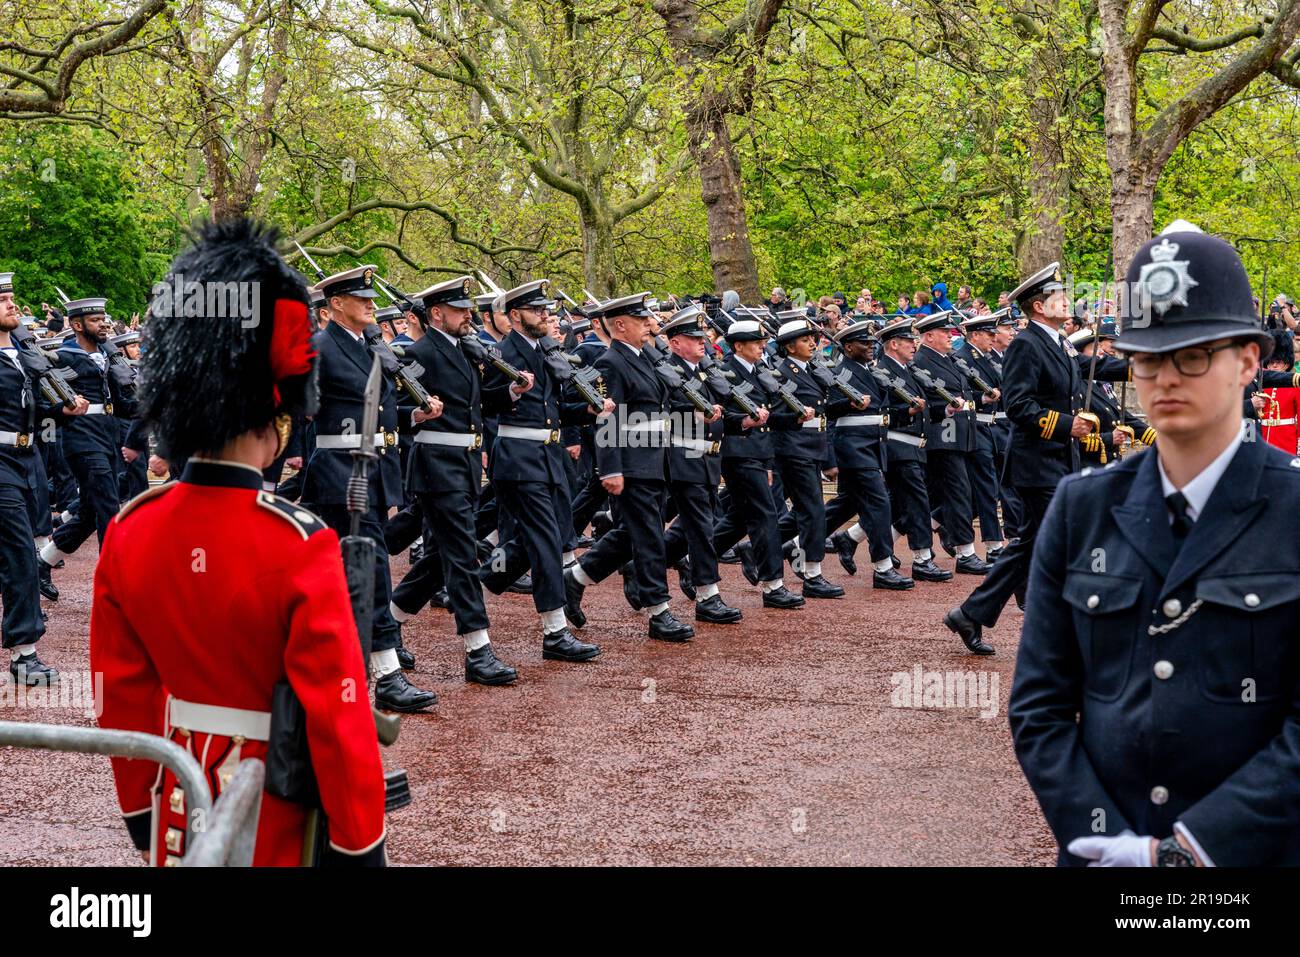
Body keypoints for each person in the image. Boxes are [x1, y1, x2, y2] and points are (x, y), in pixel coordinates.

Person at [91, 217, 387, 866]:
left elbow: (123, 697)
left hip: (176, 810)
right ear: (278, 413)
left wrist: (141, 811)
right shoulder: (299, 541)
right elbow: (339, 720)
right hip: (271, 821)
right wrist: (361, 842)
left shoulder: (129, 531)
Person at [1009, 218, 1300, 866]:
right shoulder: (1080, 507)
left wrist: (1193, 848)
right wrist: (1113, 841)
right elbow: (1039, 705)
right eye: (1146, 356)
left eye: (1191, 353)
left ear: (1249, 359)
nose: (1165, 376)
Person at [301, 264, 441, 712]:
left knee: (350, 572)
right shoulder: (319, 349)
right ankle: (385, 674)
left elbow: (376, 413)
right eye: (360, 298)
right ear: (335, 304)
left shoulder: (370, 346)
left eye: (370, 297)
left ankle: (333, 663)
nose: (370, 303)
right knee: (372, 570)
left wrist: (413, 416)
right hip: (340, 473)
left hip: (372, 468)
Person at [944, 261, 1090, 655]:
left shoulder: (1058, 341)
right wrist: (1065, 426)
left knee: (1033, 543)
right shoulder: (1028, 344)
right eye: (1060, 296)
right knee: (1040, 543)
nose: (1068, 301)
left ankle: (972, 614)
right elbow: (1020, 405)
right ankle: (1050, 621)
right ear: (1039, 307)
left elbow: (1087, 375)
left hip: (1058, 460)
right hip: (1037, 462)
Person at [389, 277, 518, 685]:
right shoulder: (419, 352)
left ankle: (387, 620)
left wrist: (512, 391)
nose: (469, 316)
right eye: (461, 310)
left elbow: (475, 404)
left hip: (461, 464)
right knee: (462, 553)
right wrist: (417, 414)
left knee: (442, 556)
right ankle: (478, 649)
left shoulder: (464, 351)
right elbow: (394, 407)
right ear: (437, 314)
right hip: (435, 465)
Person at [477, 279, 608, 660]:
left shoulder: (546, 350)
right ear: (515, 315)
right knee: (548, 540)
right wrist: (512, 392)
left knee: (540, 538)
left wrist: (586, 410)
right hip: (519, 458)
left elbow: (554, 411)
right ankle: (555, 631)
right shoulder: (502, 352)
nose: (545, 315)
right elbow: (484, 403)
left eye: (546, 309)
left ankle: (479, 581)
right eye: (537, 310)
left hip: (546, 456)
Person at [563, 292, 695, 642]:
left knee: (632, 533)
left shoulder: (644, 358)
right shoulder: (612, 363)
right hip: (632, 462)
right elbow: (607, 418)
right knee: (650, 537)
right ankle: (658, 610)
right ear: (620, 325)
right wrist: (609, 469)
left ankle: (574, 578)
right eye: (641, 320)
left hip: (654, 459)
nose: (650, 325)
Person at [0, 272, 75, 685]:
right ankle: (25, 655)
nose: (12, 304)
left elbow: (37, 410)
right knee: (18, 552)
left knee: (19, 548)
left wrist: (64, 410)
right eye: (4, 299)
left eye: (12, 297)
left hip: (28, 457)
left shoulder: (26, 354)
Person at [38, 297, 138, 581]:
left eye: (104, 318)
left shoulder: (108, 357)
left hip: (106, 437)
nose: (103, 324)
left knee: (90, 507)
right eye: (95, 320)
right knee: (107, 505)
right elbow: (45, 405)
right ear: (77, 325)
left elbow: (122, 404)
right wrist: (64, 408)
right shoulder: (62, 357)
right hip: (81, 440)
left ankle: (43, 560)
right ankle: (115, 576)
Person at [910, 311, 991, 576]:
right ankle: (966, 553)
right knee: (958, 494)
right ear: (929, 336)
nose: (950, 337)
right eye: (945, 333)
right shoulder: (922, 361)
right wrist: (945, 409)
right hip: (943, 437)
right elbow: (928, 401)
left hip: (960, 435)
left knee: (938, 496)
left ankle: (856, 539)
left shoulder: (947, 359)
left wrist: (981, 399)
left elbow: (964, 395)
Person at [1255, 329, 1299, 454]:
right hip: (1262, 436)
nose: (1274, 366)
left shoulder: (1294, 386)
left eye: (1278, 362)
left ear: (1286, 364)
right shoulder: (1260, 384)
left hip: (1285, 438)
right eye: (1271, 362)